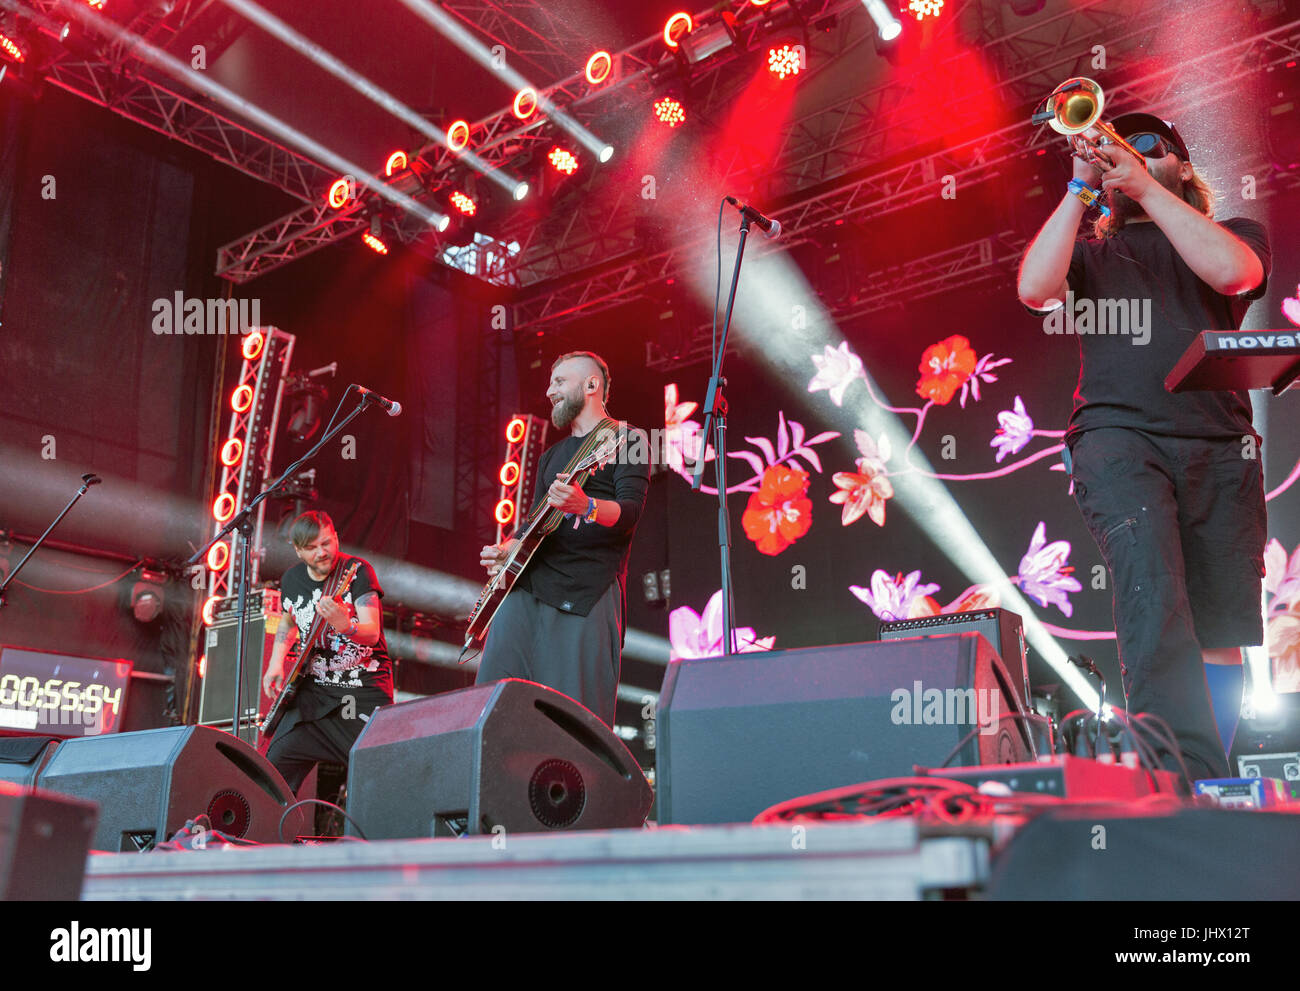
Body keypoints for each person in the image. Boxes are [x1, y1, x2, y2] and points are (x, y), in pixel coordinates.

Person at [1017, 110, 1271, 781]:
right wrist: (1080, 185)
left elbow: (1235, 275)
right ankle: (1176, 780)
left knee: (1220, 635)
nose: (1128, 156)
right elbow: (1033, 289)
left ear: (1183, 165)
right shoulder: (1095, 254)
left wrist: (1145, 188)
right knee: (1156, 603)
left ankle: (1206, 777)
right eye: (1115, 149)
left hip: (1221, 449)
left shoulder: (1234, 232)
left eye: (1147, 147)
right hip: (1118, 438)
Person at [477, 351, 650, 726]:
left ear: (591, 385)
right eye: (550, 382)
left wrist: (586, 505)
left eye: (559, 382)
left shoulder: (629, 438)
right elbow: (533, 525)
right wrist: (506, 549)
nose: (549, 390)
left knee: (573, 719)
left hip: (585, 590)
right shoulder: (551, 456)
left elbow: (630, 512)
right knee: (497, 703)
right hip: (529, 587)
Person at [262, 511, 393, 792]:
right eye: (311, 548)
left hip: (359, 692)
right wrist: (275, 664)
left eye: (326, 543)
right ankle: (269, 832)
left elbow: (371, 632)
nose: (322, 552)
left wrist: (346, 626)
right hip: (315, 696)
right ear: (297, 550)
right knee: (274, 769)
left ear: (336, 537)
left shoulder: (357, 571)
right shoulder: (291, 580)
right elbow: (289, 619)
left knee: (379, 776)